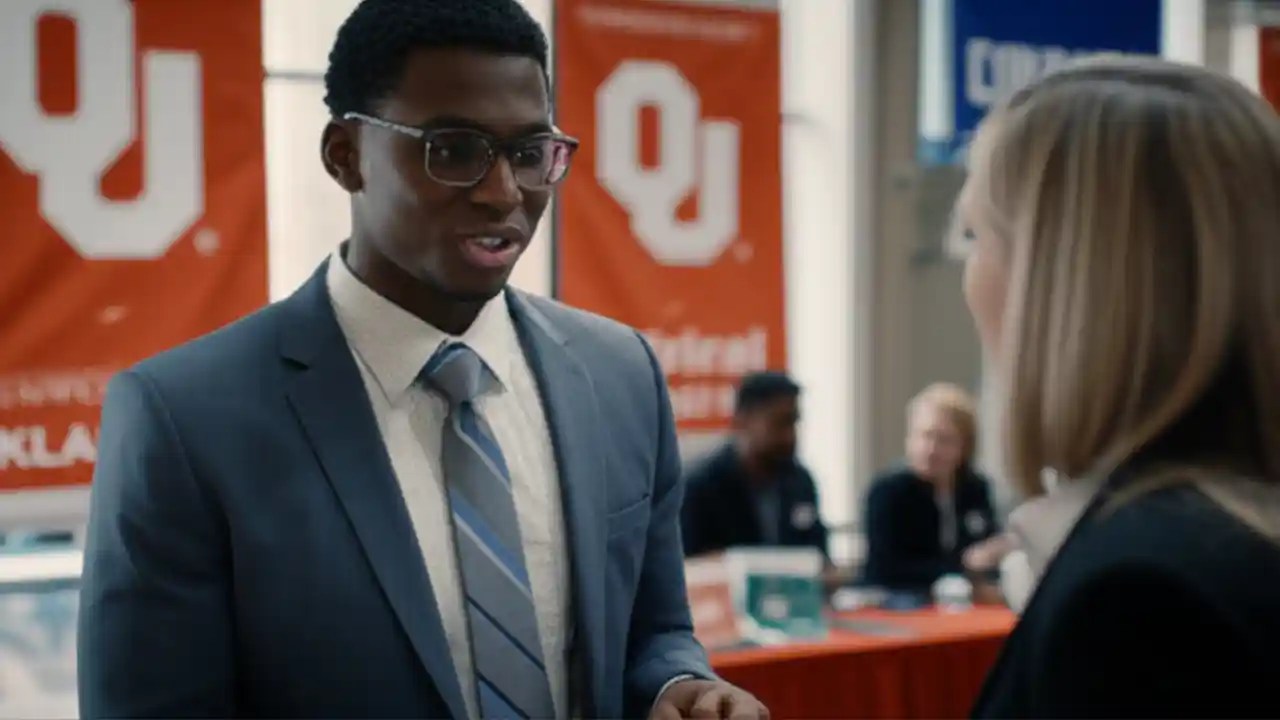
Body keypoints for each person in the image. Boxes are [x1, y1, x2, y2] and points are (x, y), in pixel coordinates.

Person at [76, 2, 767, 719]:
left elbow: (653, 630)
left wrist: (677, 686)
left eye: (529, 152)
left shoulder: (619, 375)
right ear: (345, 155)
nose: (504, 193)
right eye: (455, 151)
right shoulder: (186, 421)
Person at [962, 56, 1280, 717]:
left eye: (975, 235)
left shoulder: (1137, 598)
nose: (968, 276)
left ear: (1062, 284)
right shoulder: (1225, 536)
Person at [860, 383, 1000, 597]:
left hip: (961, 602)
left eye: (944, 440)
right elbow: (886, 569)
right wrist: (963, 565)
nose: (931, 449)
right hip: (897, 602)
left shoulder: (975, 489)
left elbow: (986, 546)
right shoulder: (888, 492)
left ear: (965, 446)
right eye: (924, 436)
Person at [680, 372, 828, 559]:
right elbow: (689, 562)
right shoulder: (702, 486)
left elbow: (819, 555)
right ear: (744, 420)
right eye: (779, 423)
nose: (790, 436)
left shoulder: (800, 482)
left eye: (794, 423)